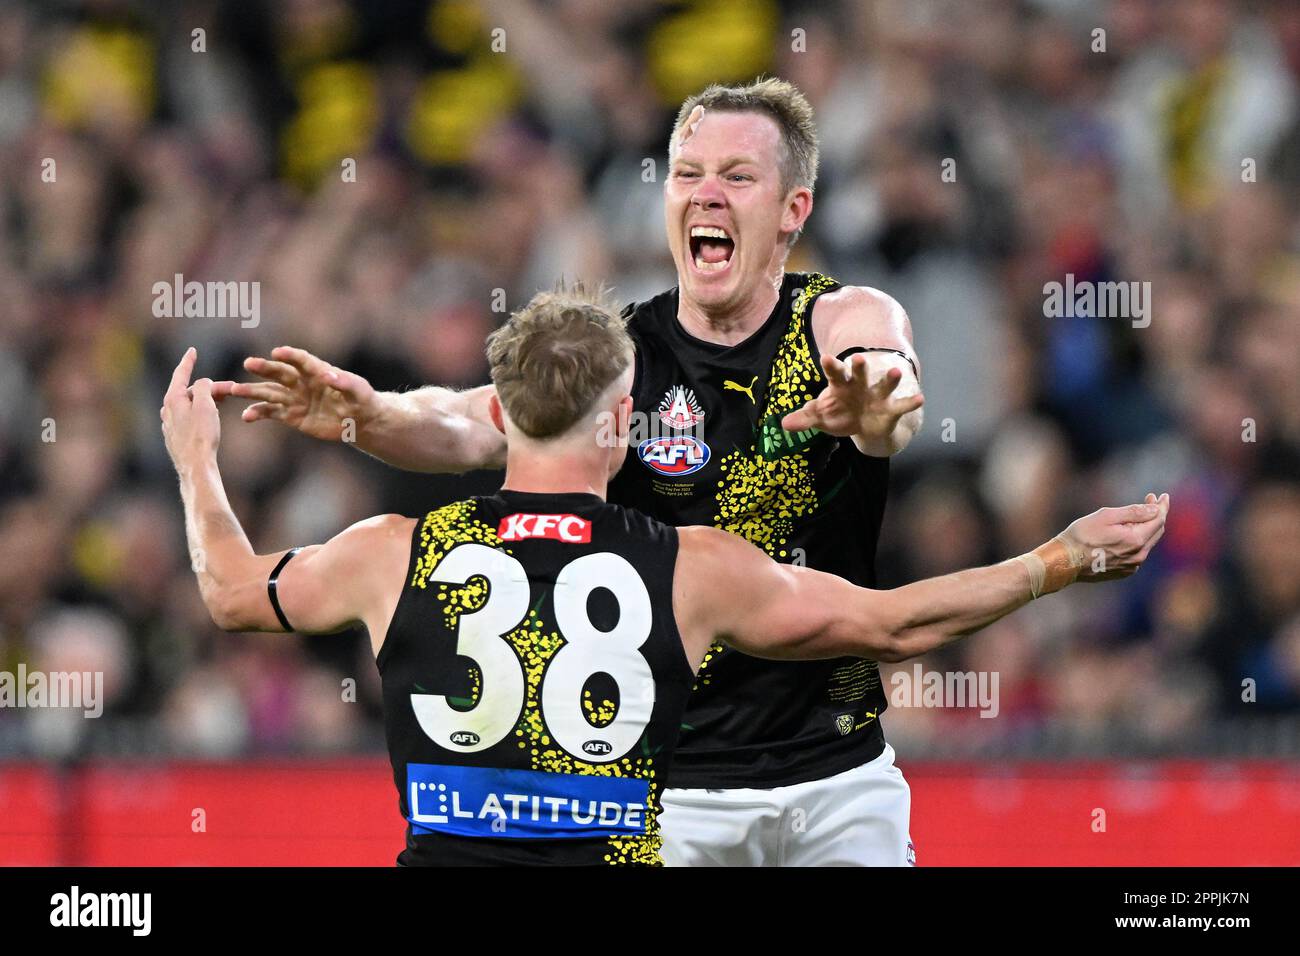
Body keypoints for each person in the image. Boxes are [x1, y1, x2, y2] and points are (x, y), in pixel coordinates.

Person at [213, 78, 1034, 864]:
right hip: (664, 788)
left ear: (794, 209)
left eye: (738, 176)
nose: (707, 193)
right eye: (688, 173)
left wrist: (880, 406)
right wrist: (368, 414)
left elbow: (890, 385)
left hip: (836, 771)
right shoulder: (615, 358)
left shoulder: (843, 319)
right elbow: (466, 424)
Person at [172, 285, 1171, 866]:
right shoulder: (689, 571)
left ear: (502, 416)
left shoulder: (389, 550)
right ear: (616, 423)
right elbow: (895, 625)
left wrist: (195, 460)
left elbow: (228, 589)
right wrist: (1060, 559)